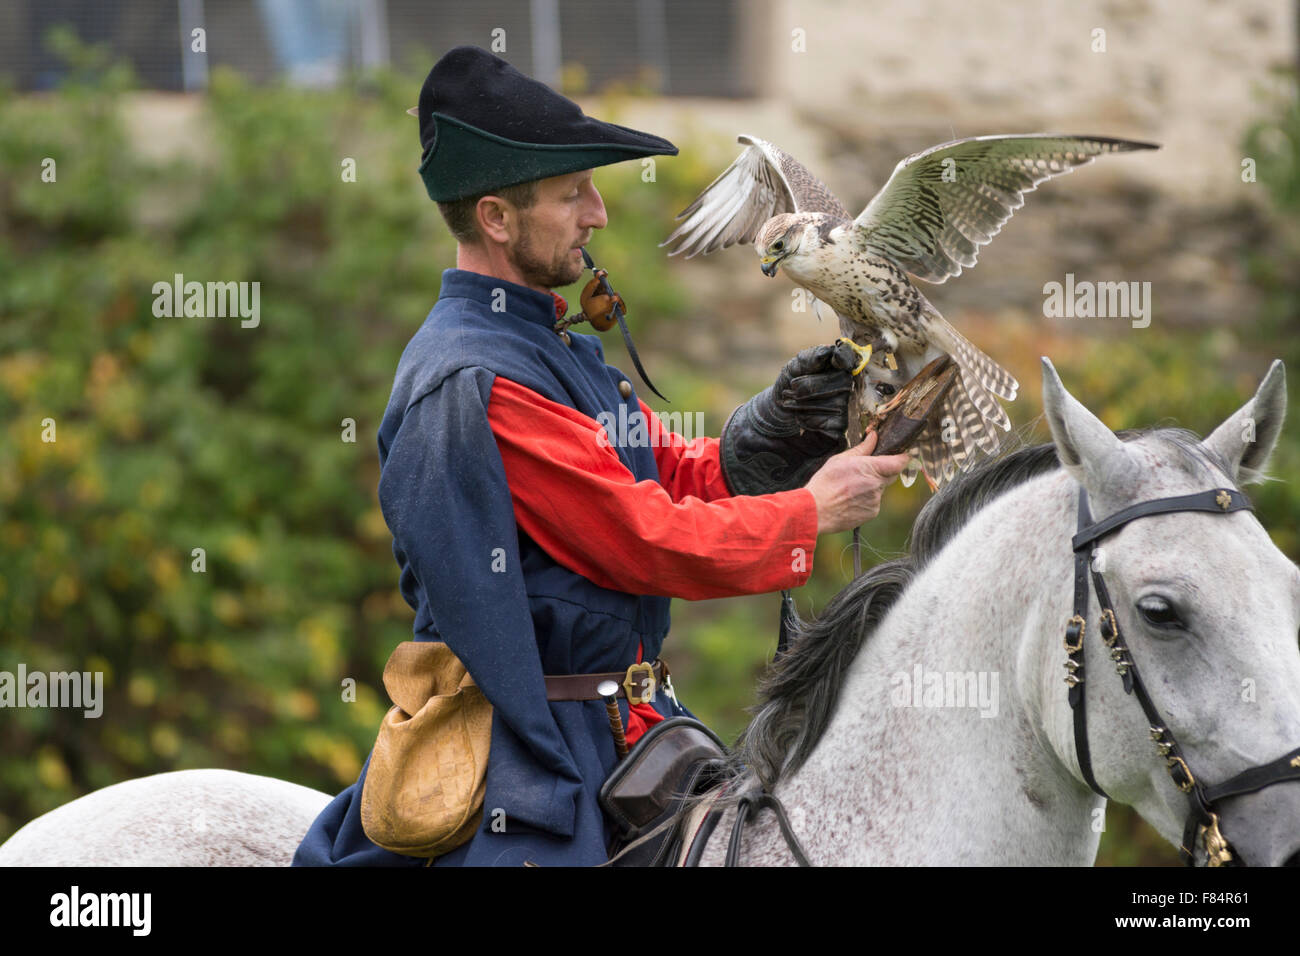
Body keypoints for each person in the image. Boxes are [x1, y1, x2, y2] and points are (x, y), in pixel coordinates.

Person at [292, 45, 909, 868]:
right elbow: (641, 536)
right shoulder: (478, 377)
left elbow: (669, 472)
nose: (598, 213)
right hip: (532, 755)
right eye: (572, 193)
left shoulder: (541, 342)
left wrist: (780, 428)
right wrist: (811, 512)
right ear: (496, 218)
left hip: (629, 731)